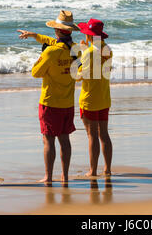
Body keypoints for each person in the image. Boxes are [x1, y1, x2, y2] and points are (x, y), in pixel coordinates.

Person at [17, 10, 80, 185]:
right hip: (67, 101)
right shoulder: (76, 49)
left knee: (48, 140)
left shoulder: (51, 52)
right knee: (65, 139)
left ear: (58, 31)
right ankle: (65, 176)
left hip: (50, 102)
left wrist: (40, 56)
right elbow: (57, 43)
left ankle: (48, 176)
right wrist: (35, 35)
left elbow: (35, 73)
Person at [77, 18, 113, 177]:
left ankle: (93, 170)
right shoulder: (107, 49)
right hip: (104, 96)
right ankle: (107, 168)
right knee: (104, 134)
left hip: (90, 98)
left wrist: (82, 54)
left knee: (92, 136)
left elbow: (79, 76)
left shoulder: (89, 53)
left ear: (90, 37)